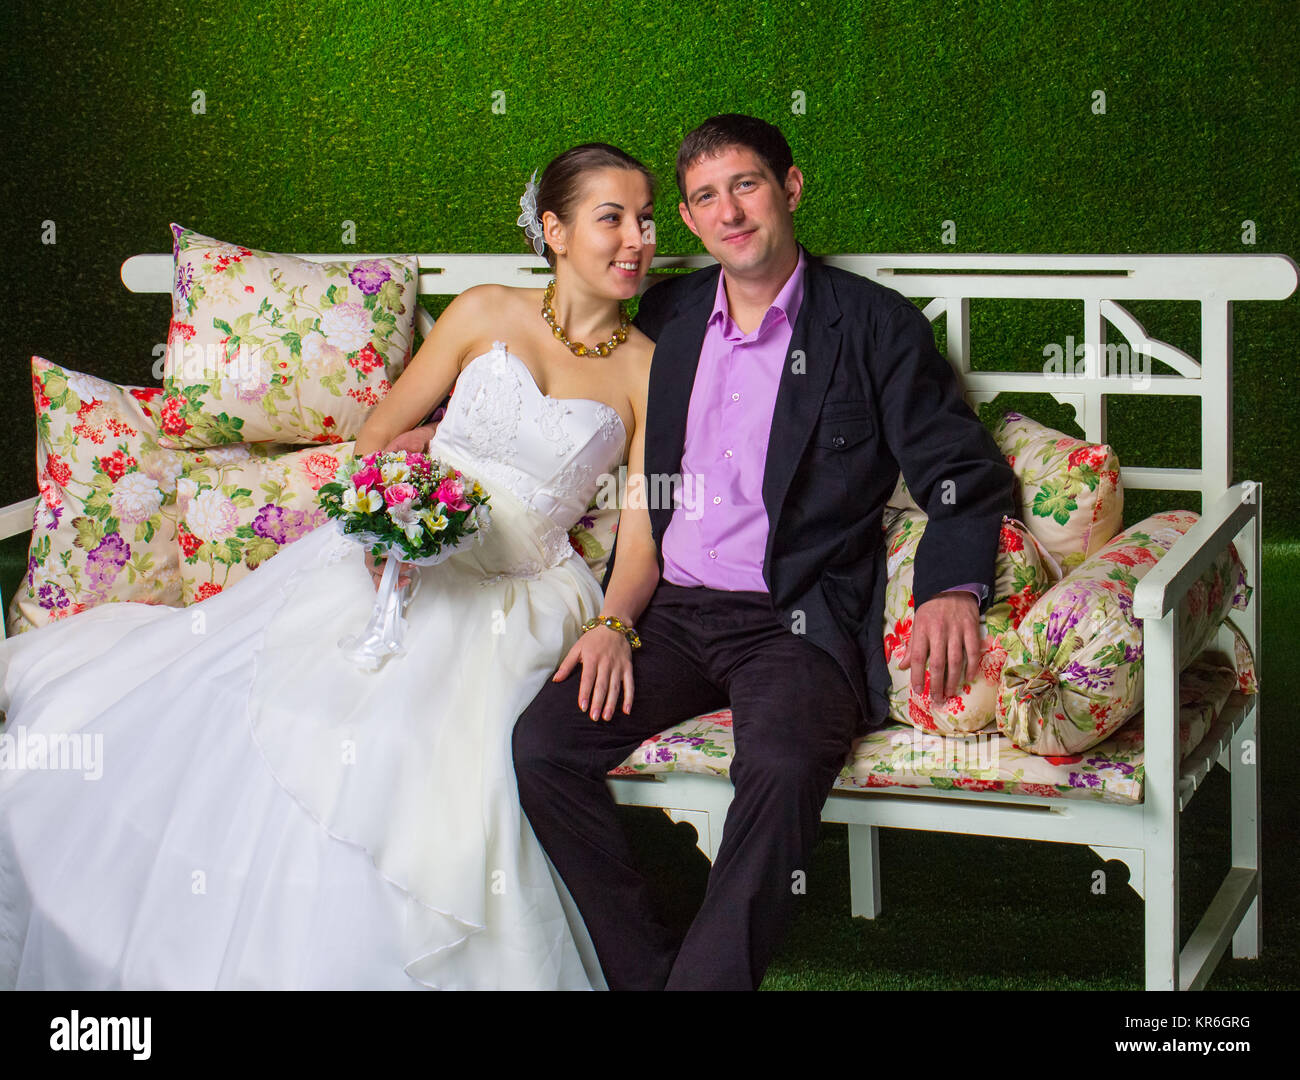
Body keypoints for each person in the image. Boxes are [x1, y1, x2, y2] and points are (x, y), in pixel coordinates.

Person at [0, 143, 658, 990]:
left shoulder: (648, 370)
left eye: (645, 219)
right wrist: (407, 510)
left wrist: (612, 622)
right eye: (613, 218)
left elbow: (639, 541)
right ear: (556, 230)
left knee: (422, 749)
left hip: (523, 598)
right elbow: (380, 436)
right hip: (401, 555)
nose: (637, 238)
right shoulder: (485, 311)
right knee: (285, 709)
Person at [513, 114, 1017, 990]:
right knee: (543, 747)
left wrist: (951, 589)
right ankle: (646, 971)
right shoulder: (663, 320)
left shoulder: (873, 326)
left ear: (790, 187)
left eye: (746, 185)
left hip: (796, 619)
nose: (730, 211)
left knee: (782, 763)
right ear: (690, 217)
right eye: (706, 197)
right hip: (668, 614)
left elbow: (961, 474)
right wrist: (612, 621)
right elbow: (566, 366)